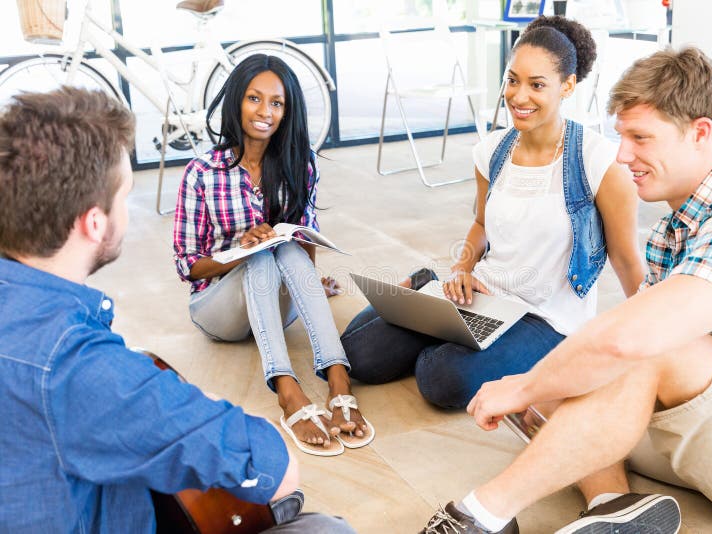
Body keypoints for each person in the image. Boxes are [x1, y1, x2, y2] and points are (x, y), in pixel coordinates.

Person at [420, 46, 712, 534]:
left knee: (649, 342)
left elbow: (638, 339)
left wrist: (522, 385)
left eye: (640, 137)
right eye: (621, 137)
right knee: (562, 383)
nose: (622, 156)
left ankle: (478, 515)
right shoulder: (673, 232)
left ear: (700, 133)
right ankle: (611, 506)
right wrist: (542, 387)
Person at [0, 87, 355, 533]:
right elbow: (275, 468)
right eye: (123, 197)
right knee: (325, 528)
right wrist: (196, 404)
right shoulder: (76, 366)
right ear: (95, 223)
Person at [341, 16, 644, 410]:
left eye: (537, 85)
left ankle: (430, 311)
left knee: (441, 379)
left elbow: (624, 257)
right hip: (485, 294)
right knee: (358, 356)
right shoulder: (492, 151)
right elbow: (481, 224)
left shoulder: (598, 160)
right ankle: (424, 289)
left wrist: (648, 341)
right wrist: (463, 270)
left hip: (546, 319)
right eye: (512, 80)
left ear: (567, 86)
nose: (519, 96)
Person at [173, 54, 373, 456]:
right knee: (262, 255)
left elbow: (306, 238)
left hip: (275, 308)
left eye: (276, 103)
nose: (265, 111)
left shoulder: (302, 164)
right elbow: (188, 265)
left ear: (287, 111)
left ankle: (338, 379)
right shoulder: (202, 172)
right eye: (254, 98)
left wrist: (310, 285)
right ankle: (287, 389)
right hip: (219, 310)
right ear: (236, 101)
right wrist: (240, 250)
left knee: (286, 244)